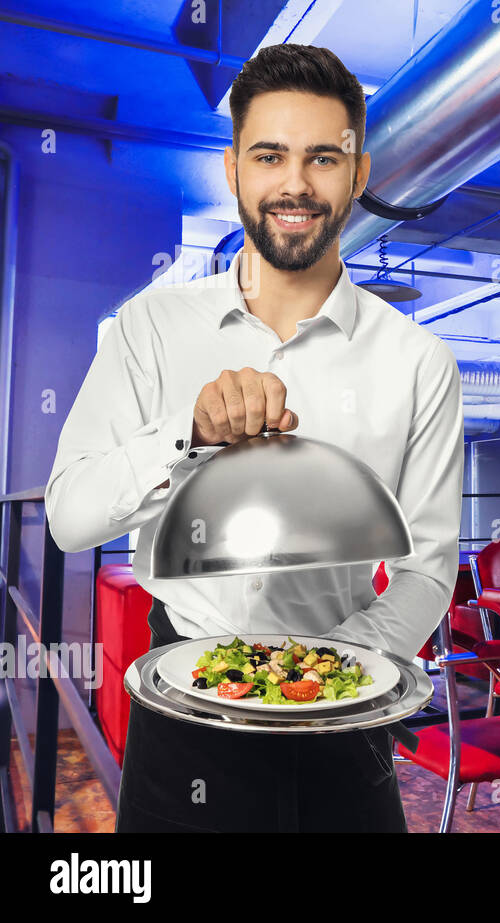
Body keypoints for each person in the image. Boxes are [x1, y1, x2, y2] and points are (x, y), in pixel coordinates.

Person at [44, 44, 464, 832]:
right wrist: (186, 434)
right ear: (234, 171)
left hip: (348, 713)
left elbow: (428, 569)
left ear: (359, 173)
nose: (296, 183)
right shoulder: (152, 326)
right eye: (271, 155)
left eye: (323, 158)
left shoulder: (417, 359)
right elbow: (70, 516)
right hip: (183, 709)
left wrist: (314, 671)